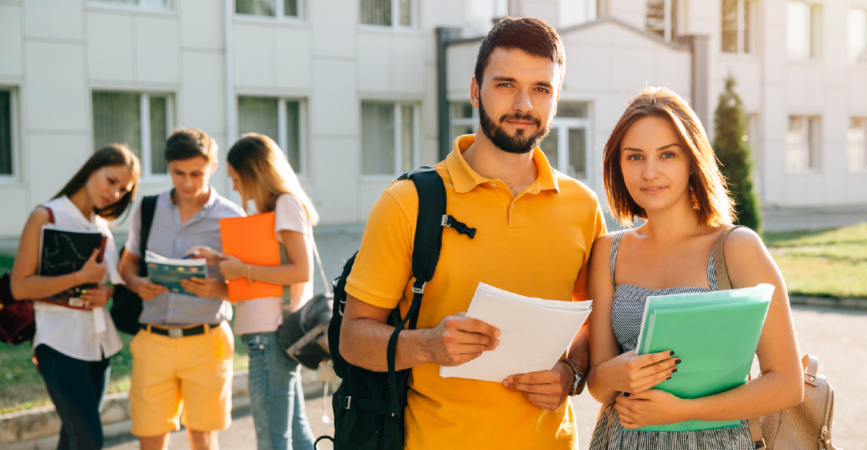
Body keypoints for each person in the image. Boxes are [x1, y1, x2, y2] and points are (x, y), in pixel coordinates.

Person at [339, 17, 606, 449]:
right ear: (474, 90)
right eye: (505, 84)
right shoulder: (406, 202)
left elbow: (591, 329)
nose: (524, 103)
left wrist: (570, 374)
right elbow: (353, 338)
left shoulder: (582, 207)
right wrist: (425, 345)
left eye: (541, 89)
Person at [586, 87, 804, 449]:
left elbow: (787, 384)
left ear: (691, 161)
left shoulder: (737, 247)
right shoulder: (608, 251)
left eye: (667, 155)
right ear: (618, 165)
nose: (650, 172)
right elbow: (597, 385)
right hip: (622, 440)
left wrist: (683, 410)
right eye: (635, 157)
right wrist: (613, 373)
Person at [188, 133, 318, 450]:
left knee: (272, 439)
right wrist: (221, 263)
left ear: (253, 174)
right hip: (271, 332)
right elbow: (271, 270)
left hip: (270, 334)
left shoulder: (285, 205)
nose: (233, 187)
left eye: (236, 178)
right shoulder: (278, 208)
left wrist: (241, 270)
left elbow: (300, 271)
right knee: (296, 435)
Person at [118, 128, 244, 450]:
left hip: (207, 341)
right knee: (150, 438)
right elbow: (128, 265)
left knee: (202, 437)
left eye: (196, 174)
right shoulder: (147, 209)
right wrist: (137, 283)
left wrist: (216, 287)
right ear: (168, 167)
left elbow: (248, 288)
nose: (187, 183)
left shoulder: (232, 217)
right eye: (178, 173)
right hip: (153, 341)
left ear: (212, 168)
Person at [10, 144, 140, 450]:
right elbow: (20, 287)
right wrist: (79, 278)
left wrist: (105, 293)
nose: (115, 194)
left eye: (124, 190)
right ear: (91, 170)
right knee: (88, 440)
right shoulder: (46, 215)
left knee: (73, 438)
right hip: (58, 343)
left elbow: (110, 286)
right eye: (111, 181)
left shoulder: (102, 228)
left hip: (98, 346)